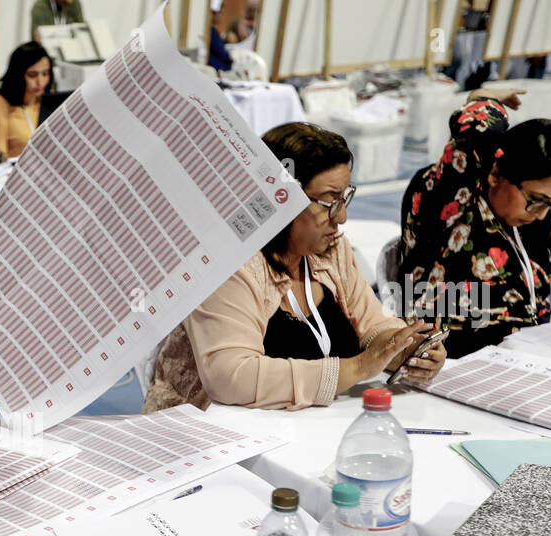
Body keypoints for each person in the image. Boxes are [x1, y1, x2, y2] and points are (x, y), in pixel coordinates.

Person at [144, 123, 446, 413]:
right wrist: (357, 367)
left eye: (345, 198)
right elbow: (230, 376)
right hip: (212, 440)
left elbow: (372, 325)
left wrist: (404, 348)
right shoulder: (230, 263)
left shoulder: (331, 252)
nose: (340, 217)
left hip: (306, 428)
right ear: (282, 198)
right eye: (329, 202)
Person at [400, 86, 551, 358]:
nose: (541, 213)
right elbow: (478, 135)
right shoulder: (448, 199)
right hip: (452, 364)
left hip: (535, 357)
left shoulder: (539, 204)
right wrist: (482, 100)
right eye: (536, 199)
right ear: (496, 174)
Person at [0, 42, 54, 165]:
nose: (41, 82)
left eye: (45, 74)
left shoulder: (49, 102)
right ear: (18, 75)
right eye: (32, 75)